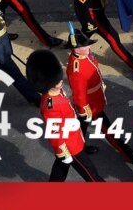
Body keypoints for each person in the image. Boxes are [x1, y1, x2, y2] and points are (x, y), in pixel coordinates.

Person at [66, 29, 133, 164]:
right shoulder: (77, 69)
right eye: (85, 45)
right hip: (91, 106)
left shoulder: (85, 56)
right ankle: (129, 154)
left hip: (96, 98)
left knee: (81, 126)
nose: (89, 47)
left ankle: (79, 146)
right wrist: (85, 112)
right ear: (77, 49)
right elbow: (79, 94)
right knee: (109, 131)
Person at [26, 50, 103, 182]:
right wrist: (62, 151)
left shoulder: (56, 91)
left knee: (61, 167)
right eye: (56, 81)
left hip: (73, 137)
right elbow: (54, 132)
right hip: (70, 145)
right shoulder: (50, 106)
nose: (60, 82)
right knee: (91, 173)